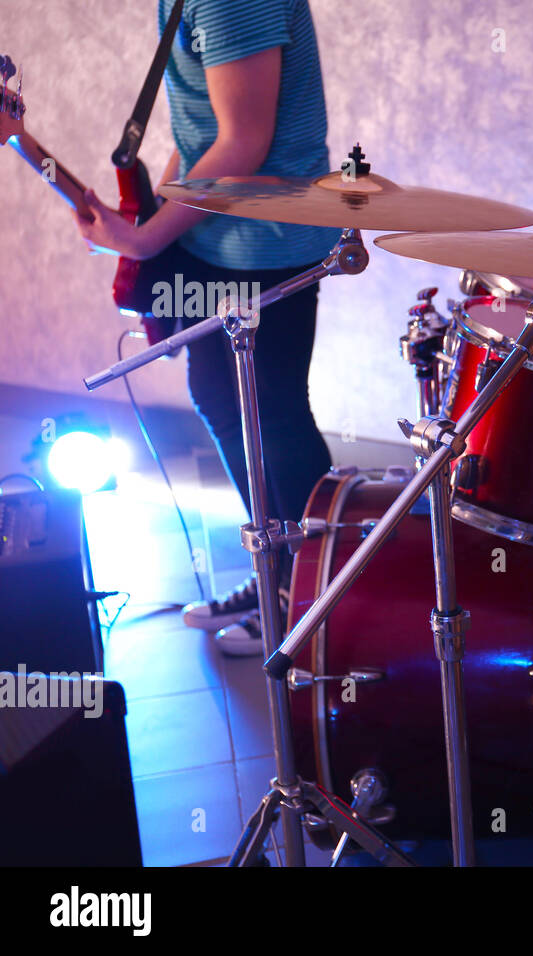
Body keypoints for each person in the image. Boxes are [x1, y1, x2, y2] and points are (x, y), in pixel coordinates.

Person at [74, 0, 336, 656]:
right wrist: (146, 221)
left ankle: (320, 602)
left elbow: (242, 144)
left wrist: (146, 238)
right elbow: (201, 137)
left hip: (265, 243)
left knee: (271, 414)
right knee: (222, 399)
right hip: (215, 237)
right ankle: (279, 570)